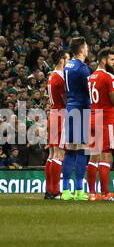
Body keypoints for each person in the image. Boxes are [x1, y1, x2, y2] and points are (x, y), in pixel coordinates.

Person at [61, 38, 93, 201]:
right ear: (81, 49)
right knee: (82, 148)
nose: (87, 50)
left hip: (70, 108)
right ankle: (80, 190)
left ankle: (66, 190)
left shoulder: (68, 65)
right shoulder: (83, 68)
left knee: (70, 149)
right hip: (81, 108)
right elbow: (90, 92)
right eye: (86, 47)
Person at [86, 48, 114, 201]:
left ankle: (92, 193)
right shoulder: (108, 77)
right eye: (112, 60)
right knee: (106, 156)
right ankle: (106, 193)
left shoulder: (91, 77)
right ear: (104, 60)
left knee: (93, 157)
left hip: (92, 118)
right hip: (105, 119)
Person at [44, 50, 68, 199]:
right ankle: (55, 191)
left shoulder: (51, 76)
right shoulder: (60, 78)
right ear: (61, 61)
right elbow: (66, 100)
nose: (68, 62)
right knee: (59, 154)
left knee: (52, 154)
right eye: (67, 59)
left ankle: (49, 190)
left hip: (53, 113)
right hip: (60, 114)